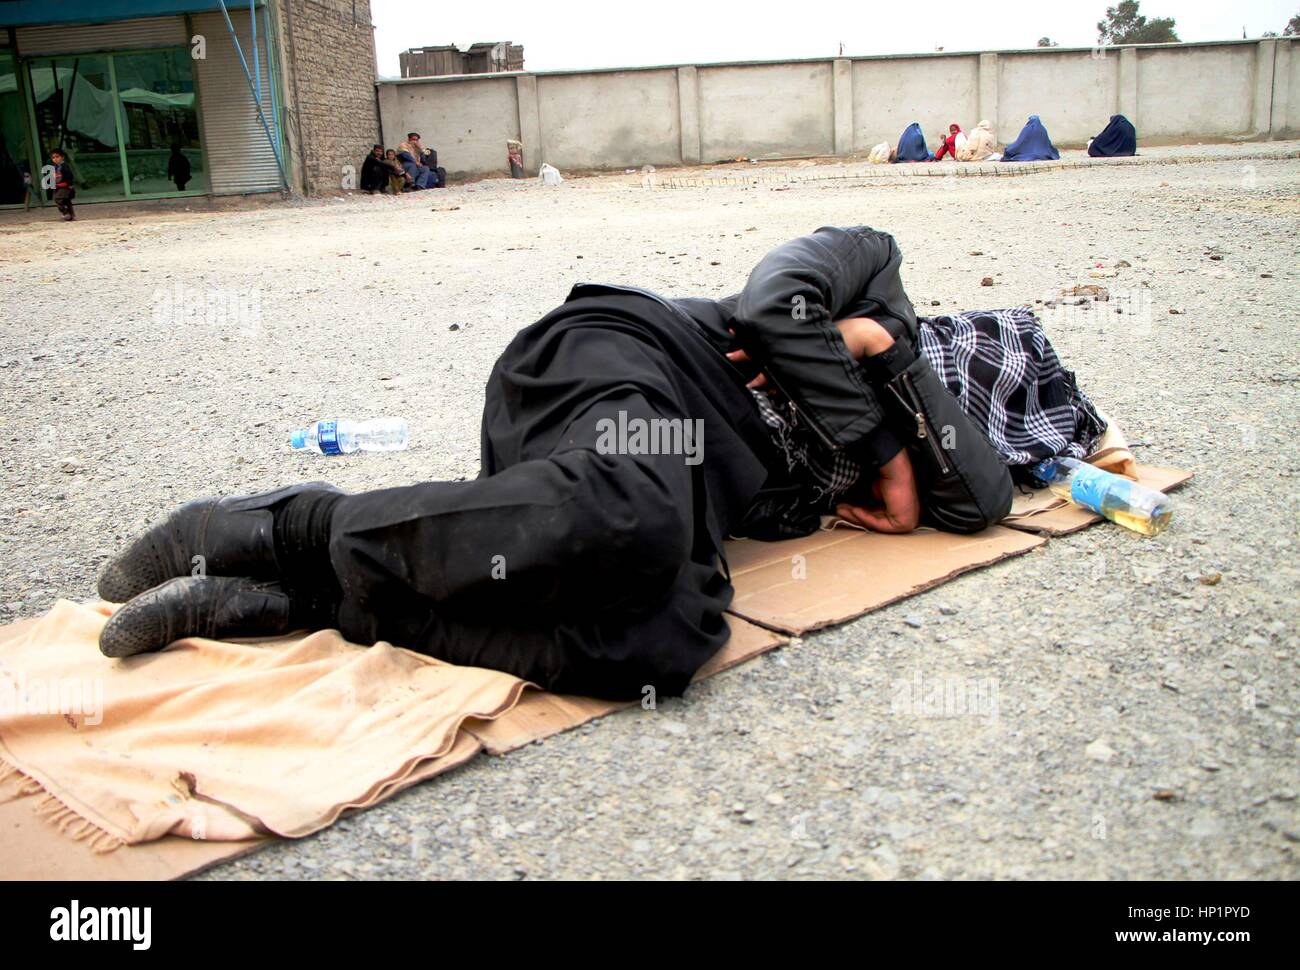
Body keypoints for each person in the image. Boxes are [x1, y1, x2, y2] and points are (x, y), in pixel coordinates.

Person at [94, 227, 1105, 700]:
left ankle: (309, 603)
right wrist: (872, 374)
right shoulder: (871, 265)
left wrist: (895, 364)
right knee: (636, 510)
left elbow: (974, 503)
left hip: (680, 476)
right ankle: (281, 524)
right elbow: (769, 300)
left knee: (668, 641)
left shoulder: (905, 364)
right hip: (625, 358)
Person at [49, 148, 76, 221]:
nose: (55, 159)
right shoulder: (55, 167)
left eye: (57, 157)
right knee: (66, 201)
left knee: (58, 200)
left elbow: (69, 176)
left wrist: (69, 184)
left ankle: (65, 213)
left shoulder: (64, 166)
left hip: (64, 186)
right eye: (53, 157)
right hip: (57, 186)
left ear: (62, 157)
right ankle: (71, 215)